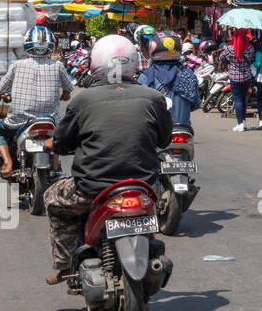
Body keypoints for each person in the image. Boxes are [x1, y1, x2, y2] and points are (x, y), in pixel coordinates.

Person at [43, 34, 169, 284]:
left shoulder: (83, 99)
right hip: (143, 187)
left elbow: (63, 142)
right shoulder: (154, 98)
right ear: (134, 63)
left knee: (52, 199)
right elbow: (163, 140)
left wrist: (53, 144)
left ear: (96, 62)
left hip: (92, 188)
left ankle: (65, 265)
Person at [0, 25, 72, 175]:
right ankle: (55, 164)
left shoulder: (17, 65)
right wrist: (65, 94)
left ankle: (8, 163)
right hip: (50, 120)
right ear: (50, 45)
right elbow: (68, 88)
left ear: (28, 43)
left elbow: (1, 89)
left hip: (19, 120)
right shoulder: (58, 66)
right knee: (57, 135)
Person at [137, 31, 201, 129]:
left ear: (153, 49)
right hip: (183, 131)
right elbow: (195, 105)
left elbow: (140, 108)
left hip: (156, 134)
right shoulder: (189, 74)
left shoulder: (146, 76)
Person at [220, 28, 257, 133]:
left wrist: (229, 62)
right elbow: (252, 60)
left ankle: (240, 123)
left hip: (234, 77)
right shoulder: (250, 48)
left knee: (238, 100)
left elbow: (221, 57)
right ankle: (244, 122)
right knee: (244, 100)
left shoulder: (230, 48)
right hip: (246, 77)